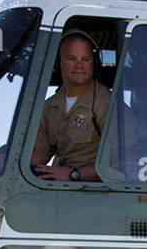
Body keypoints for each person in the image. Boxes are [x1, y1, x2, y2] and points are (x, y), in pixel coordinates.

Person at [30, 30, 110, 182]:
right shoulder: (51, 106)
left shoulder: (107, 103)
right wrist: (9, 158)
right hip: (62, 186)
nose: (79, 65)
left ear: (94, 63)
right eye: (72, 58)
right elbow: (40, 153)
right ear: (59, 62)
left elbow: (124, 164)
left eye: (85, 59)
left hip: (94, 190)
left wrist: (74, 174)